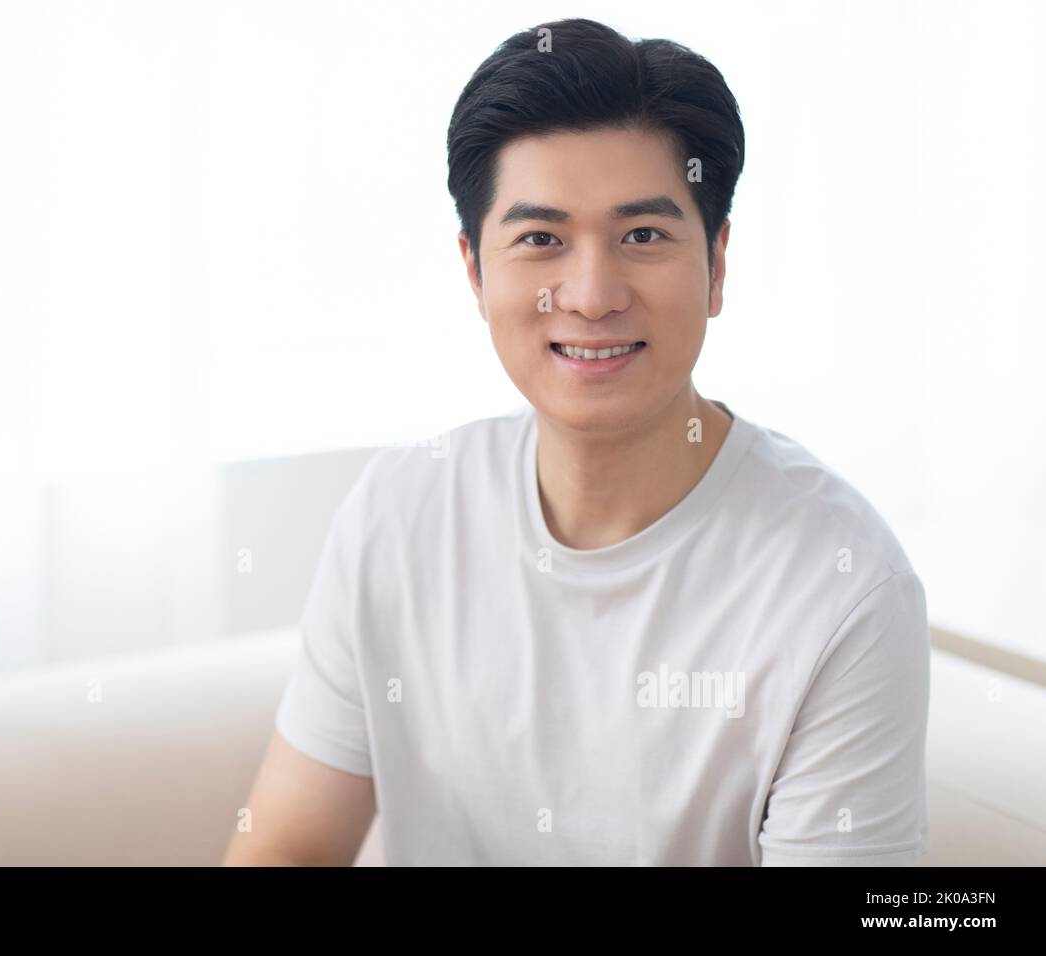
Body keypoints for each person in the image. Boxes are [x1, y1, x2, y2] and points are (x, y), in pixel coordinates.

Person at [224, 16, 929, 866]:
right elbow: (287, 847)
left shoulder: (842, 587)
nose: (591, 295)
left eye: (642, 236)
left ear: (717, 262)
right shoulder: (399, 512)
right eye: (540, 240)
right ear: (475, 273)